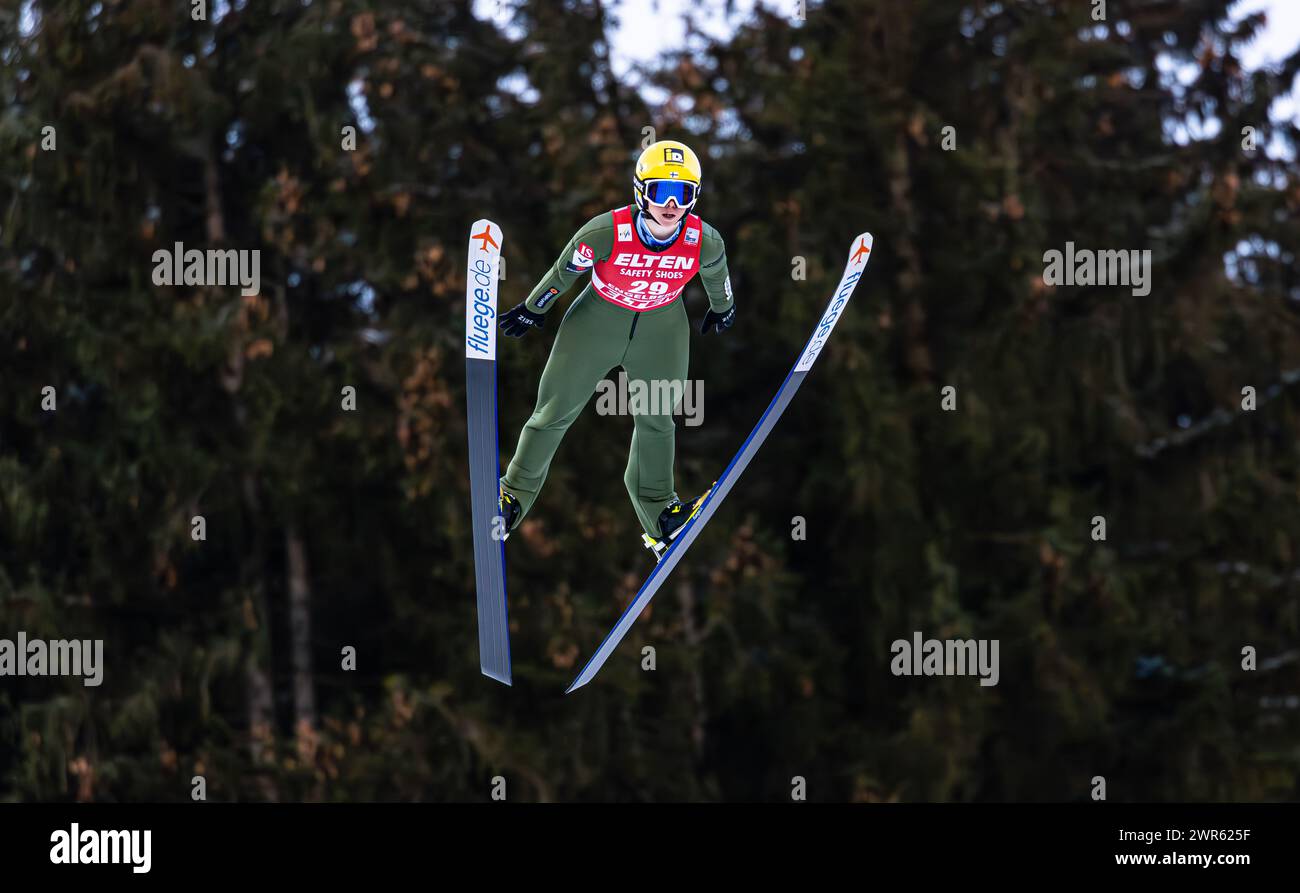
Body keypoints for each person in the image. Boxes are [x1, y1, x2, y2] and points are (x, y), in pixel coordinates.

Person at [497, 139, 736, 561]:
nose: (671, 205)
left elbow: (717, 276)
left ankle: (662, 517)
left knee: (658, 421)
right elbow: (564, 270)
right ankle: (511, 498)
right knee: (554, 412)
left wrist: (724, 309)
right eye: (661, 192)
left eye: (682, 195)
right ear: (641, 191)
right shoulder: (606, 231)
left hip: (662, 329)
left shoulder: (705, 239)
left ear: (694, 197)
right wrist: (535, 308)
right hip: (597, 321)